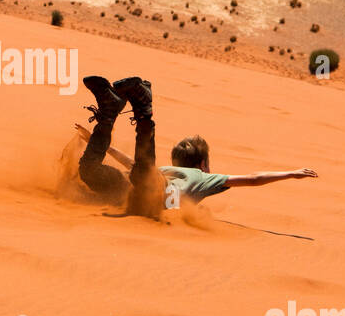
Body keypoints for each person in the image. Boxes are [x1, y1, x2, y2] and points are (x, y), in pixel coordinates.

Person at [71, 75, 316, 216]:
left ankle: (109, 114)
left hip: (129, 188)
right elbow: (253, 179)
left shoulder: (168, 170)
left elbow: (133, 164)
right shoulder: (203, 177)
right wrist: (291, 174)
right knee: (144, 177)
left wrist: (101, 141)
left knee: (90, 170)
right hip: (151, 192)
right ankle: (144, 109)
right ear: (202, 163)